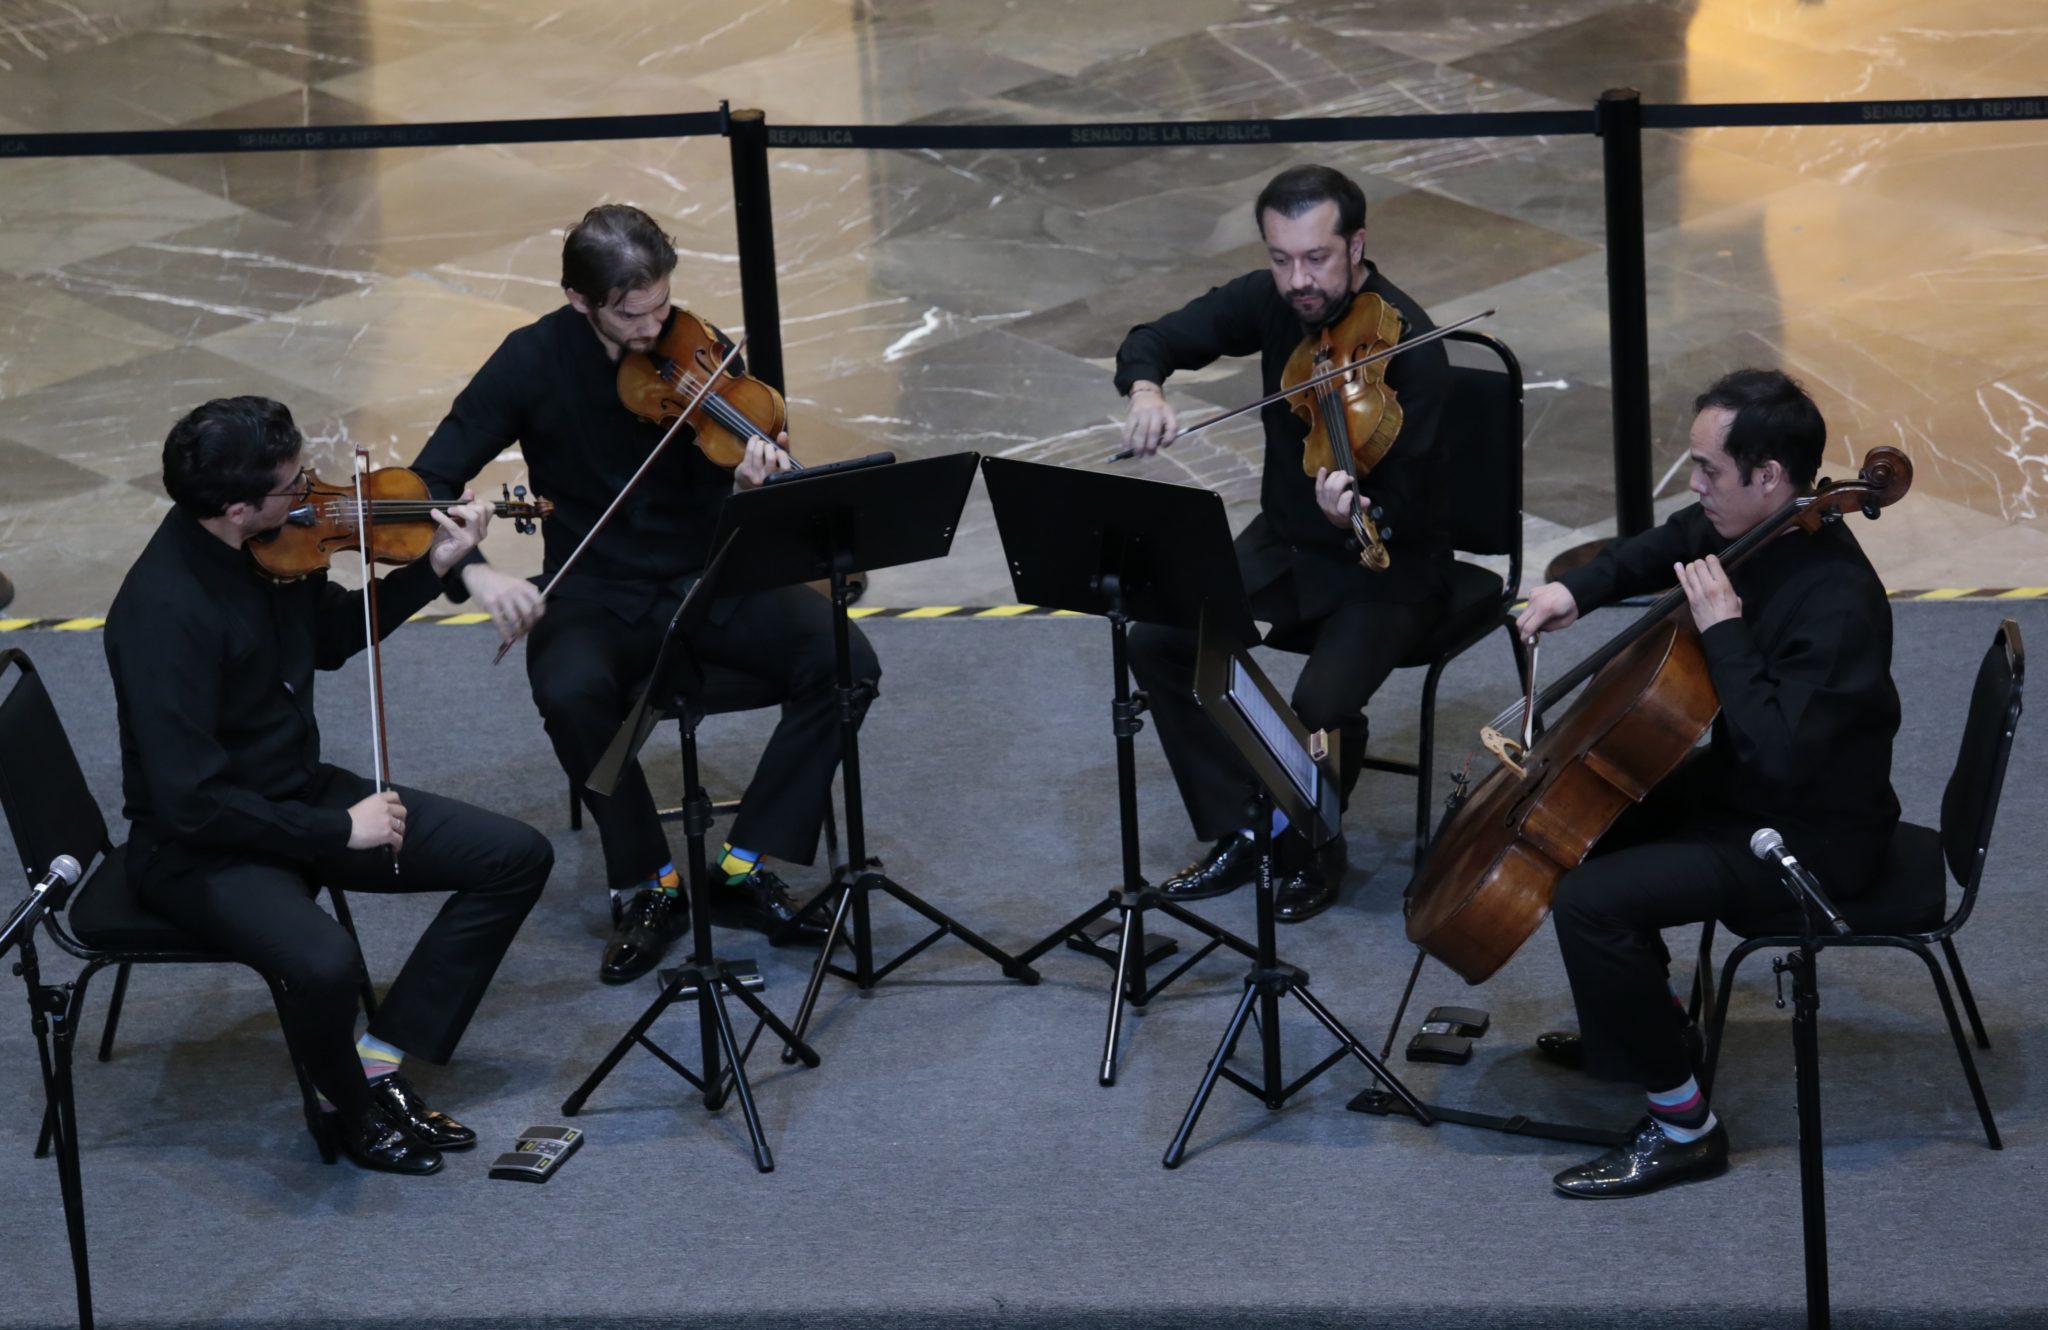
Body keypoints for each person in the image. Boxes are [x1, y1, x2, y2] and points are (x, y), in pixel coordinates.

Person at [413, 204, 864, 984]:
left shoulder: (699, 346)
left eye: (662, 303)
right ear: (578, 299)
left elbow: (739, 457)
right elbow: (427, 480)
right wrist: (476, 571)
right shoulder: (528, 363)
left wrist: (755, 484)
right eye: (632, 314)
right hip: (596, 589)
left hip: (711, 575)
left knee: (846, 659)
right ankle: (647, 883)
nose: (656, 328)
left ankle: (743, 861)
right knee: (568, 688)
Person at [104, 396, 553, 1176]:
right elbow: (190, 802)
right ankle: (346, 1108)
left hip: (296, 790)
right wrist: (338, 833)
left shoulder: (277, 545)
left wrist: (433, 569)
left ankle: (375, 1063)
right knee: (323, 962)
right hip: (204, 847)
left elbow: (334, 638)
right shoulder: (160, 613)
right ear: (237, 507)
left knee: (514, 857)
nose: (312, 492)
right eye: (291, 485)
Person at [1514, 369, 1900, 1198]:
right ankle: (1644, 1031)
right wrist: (1573, 591)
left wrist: (1724, 632)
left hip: (1809, 842)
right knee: (1586, 826)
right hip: (1751, 796)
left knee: (1591, 901)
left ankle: (1685, 1125)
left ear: (1769, 477)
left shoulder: (1837, 604)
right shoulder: (1756, 527)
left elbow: (1781, 756)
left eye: (1707, 470)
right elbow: (1668, 540)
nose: (1693, 488)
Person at [1115, 164, 1452, 923]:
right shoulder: (1274, 302)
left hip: (1387, 565)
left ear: (1356, 244)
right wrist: (1145, 387)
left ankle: (1310, 841)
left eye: (1317, 259)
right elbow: (1156, 338)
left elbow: (1407, 508)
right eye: (1281, 258)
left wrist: (1353, 512)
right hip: (1288, 543)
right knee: (1160, 640)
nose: (1298, 280)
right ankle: (1246, 822)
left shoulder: (1414, 353)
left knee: (1321, 702)